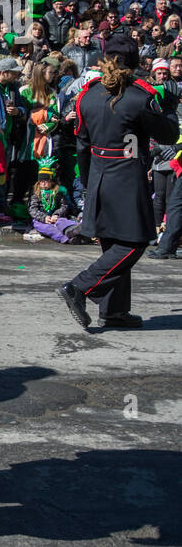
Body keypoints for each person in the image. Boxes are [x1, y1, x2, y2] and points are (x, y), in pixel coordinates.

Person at [59, 36, 178, 328]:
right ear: (136, 62)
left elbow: (82, 145)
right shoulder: (141, 96)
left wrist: (88, 181)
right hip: (126, 174)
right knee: (134, 242)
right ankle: (80, 287)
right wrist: (171, 106)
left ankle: (113, 311)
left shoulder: (87, 95)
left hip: (99, 172)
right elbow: (168, 135)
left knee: (113, 242)